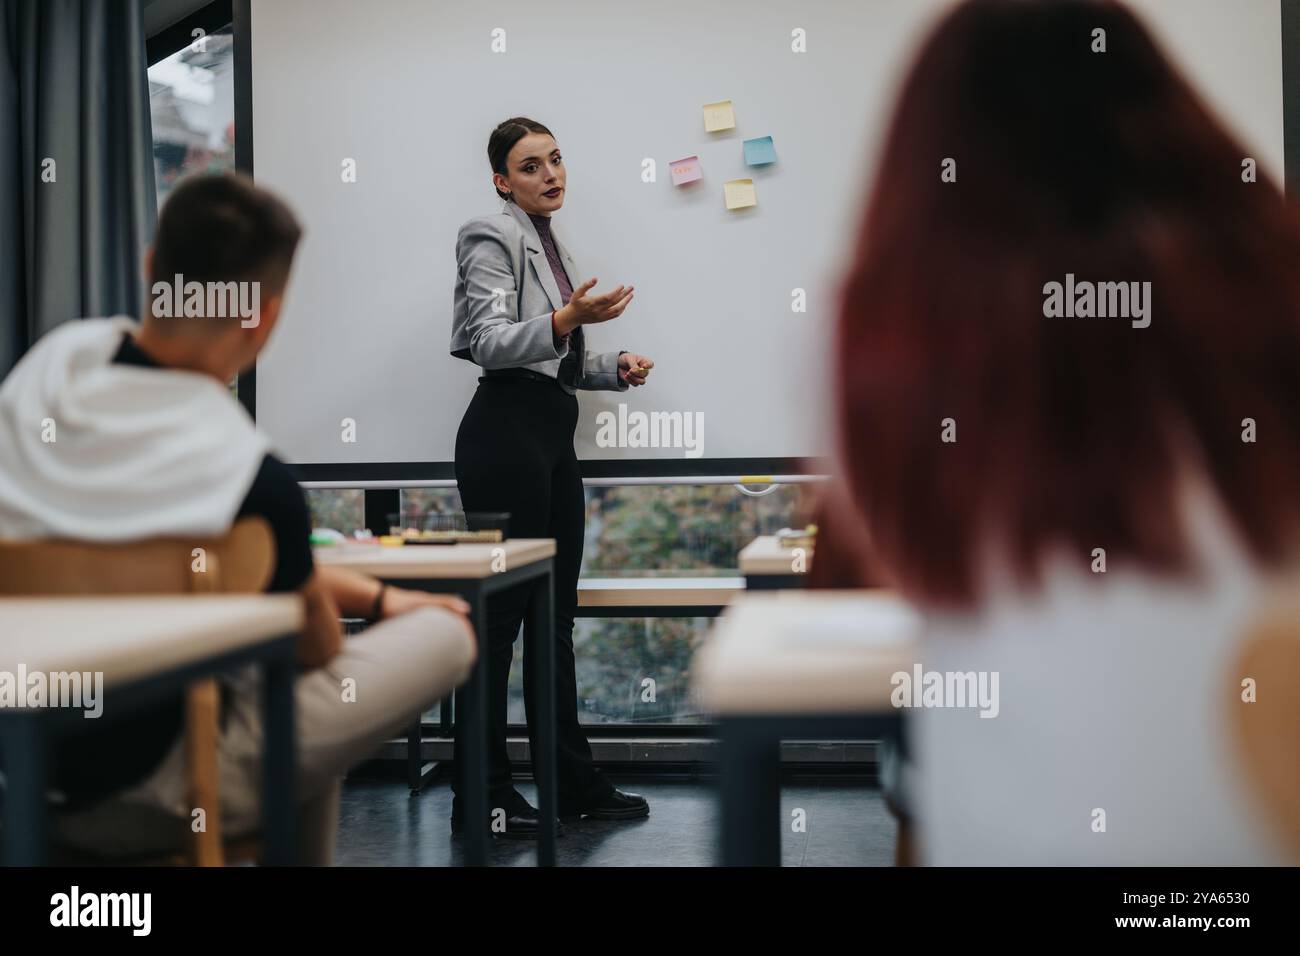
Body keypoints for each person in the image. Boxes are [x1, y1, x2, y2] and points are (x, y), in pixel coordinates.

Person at [826, 0, 1300, 863]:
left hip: (1006, 835)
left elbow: (853, 587)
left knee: (924, 752)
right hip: (1243, 851)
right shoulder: (1266, 300)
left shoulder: (876, 347)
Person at [0, 172, 478, 864]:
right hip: (167, 795)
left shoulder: (42, 376)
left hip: (22, 772)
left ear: (149, 269)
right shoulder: (249, 476)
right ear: (264, 317)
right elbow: (315, 648)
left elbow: (122, 552)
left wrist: (375, 593)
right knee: (443, 635)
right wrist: (389, 606)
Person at [448, 117, 653, 835]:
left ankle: (570, 780)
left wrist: (610, 368)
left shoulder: (551, 242)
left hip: (549, 431)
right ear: (502, 180)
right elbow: (491, 343)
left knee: (554, 623)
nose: (550, 174)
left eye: (556, 160)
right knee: (498, 626)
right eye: (530, 166)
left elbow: (551, 358)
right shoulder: (491, 232)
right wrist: (569, 317)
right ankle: (483, 797)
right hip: (504, 436)